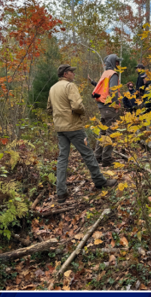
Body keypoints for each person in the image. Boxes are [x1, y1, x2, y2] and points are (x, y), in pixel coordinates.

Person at [48, 65, 117, 203]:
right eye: (72, 72)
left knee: (62, 158)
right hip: (74, 127)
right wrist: (82, 113)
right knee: (87, 154)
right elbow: (78, 106)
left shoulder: (53, 88)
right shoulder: (70, 86)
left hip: (60, 128)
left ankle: (61, 192)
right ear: (65, 74)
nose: (74, 74)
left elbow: (49, 109)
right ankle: (99, 181)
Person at [92, 54, 121, 167]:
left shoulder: (105, 73)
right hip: (109, 106)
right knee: (111, 132)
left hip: (102, 105)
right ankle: (106, 159)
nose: (118, 64)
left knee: (103, 132)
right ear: (113, 62)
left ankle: (97, 156)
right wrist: (116, 105)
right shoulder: (113, 74)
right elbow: (113, 91)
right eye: (117, 62)